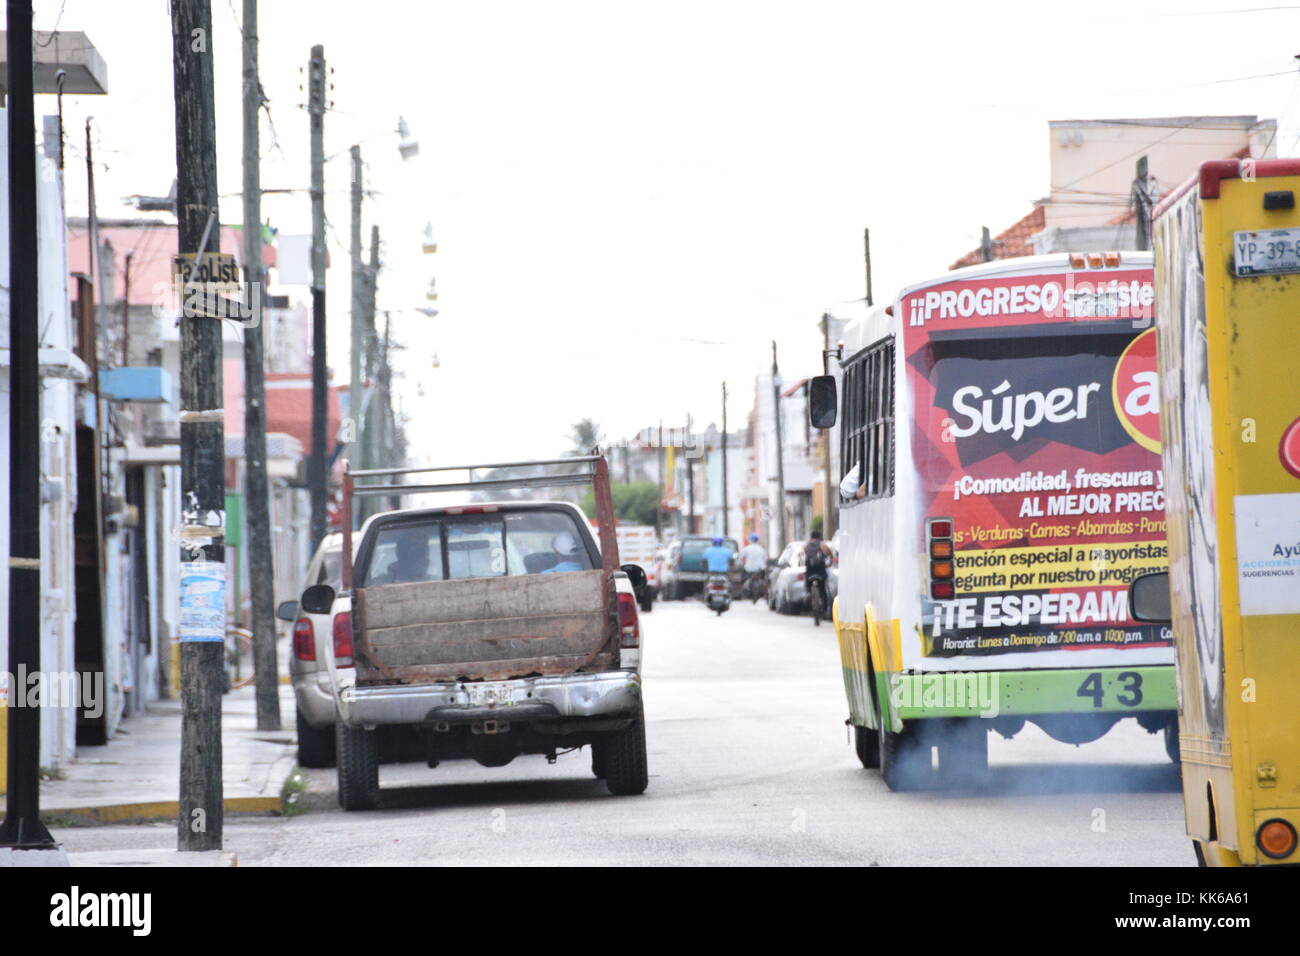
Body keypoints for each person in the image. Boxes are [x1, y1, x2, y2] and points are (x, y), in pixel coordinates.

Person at [803, 530, 833, 609]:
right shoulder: (822, 545)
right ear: (819, 537)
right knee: (823, 589)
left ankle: (808, 593)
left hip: (810, 570)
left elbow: (800, 554)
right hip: (820, 570)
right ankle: (825, 607)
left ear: (811, 537)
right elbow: (830, 553)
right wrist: (830, 562)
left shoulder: (806, 545)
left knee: (807, 582)